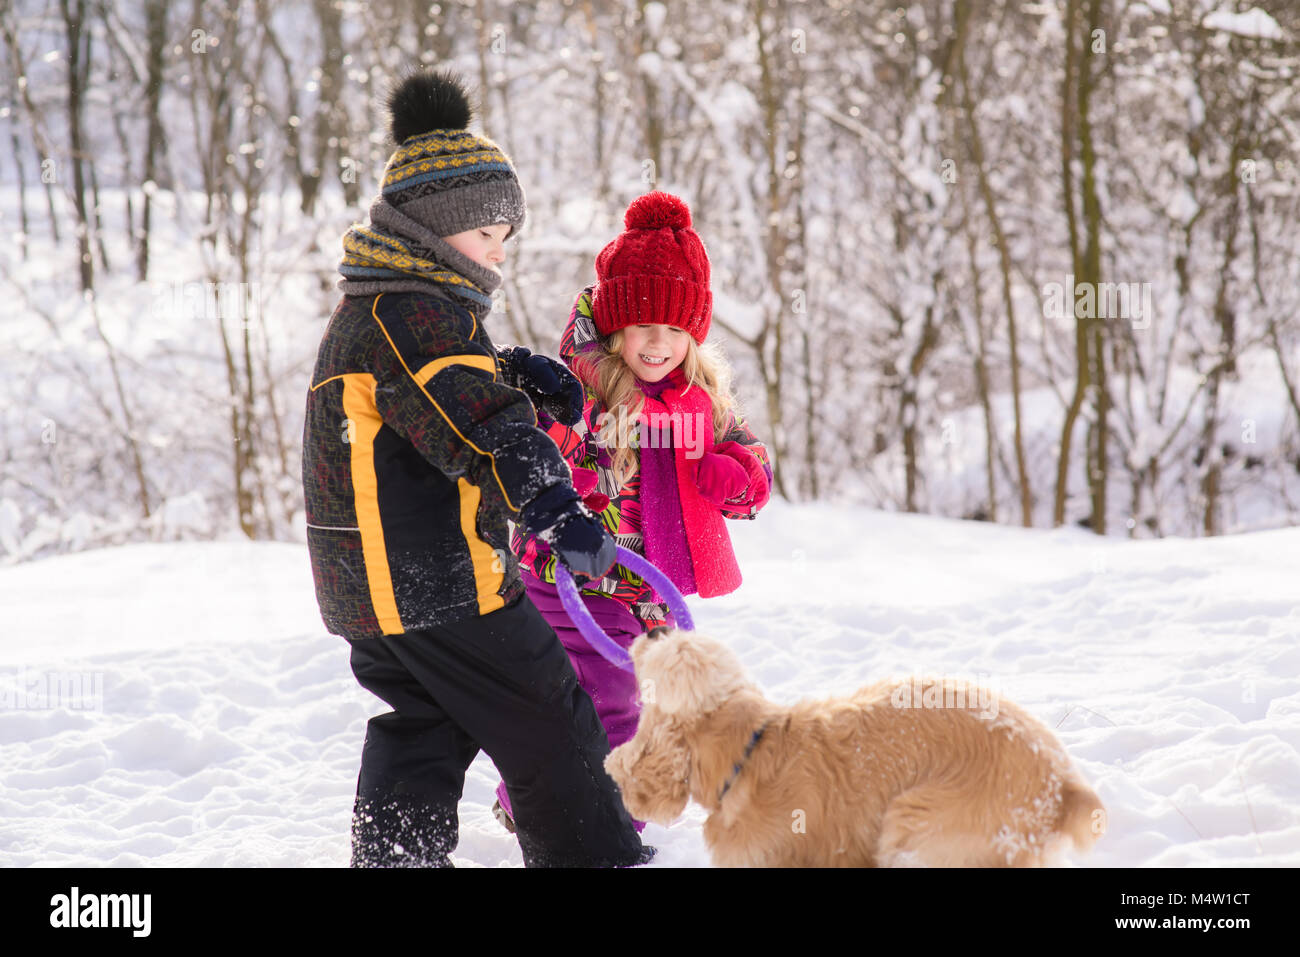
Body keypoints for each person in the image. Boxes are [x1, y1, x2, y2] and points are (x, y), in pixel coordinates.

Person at [301, 67, 650, 867]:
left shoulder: (385, 306)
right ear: (429, 227)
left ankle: (396, 858)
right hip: (437, 576)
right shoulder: (416, 316)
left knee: (426, 721)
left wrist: (514, 370)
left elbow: (434, 403)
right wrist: (556, 509)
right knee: (550, 715)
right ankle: (598, 856)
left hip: (373, 587)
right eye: (484, 234)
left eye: (505, 237)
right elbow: (479, 427)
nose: (497, 253)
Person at [492, 191, 773, 832]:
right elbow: (546, 450)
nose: (658, 342)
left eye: (676, 328)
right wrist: (564, 442)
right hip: (572, 578)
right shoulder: (584, 390)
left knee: (639, 708)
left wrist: (739, 480)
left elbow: (755, 466)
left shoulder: (704, 401)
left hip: (650, 591)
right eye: (644, 324)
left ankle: (529, 803)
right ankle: (614, 829)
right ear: (616, 325)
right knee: (613, 704)